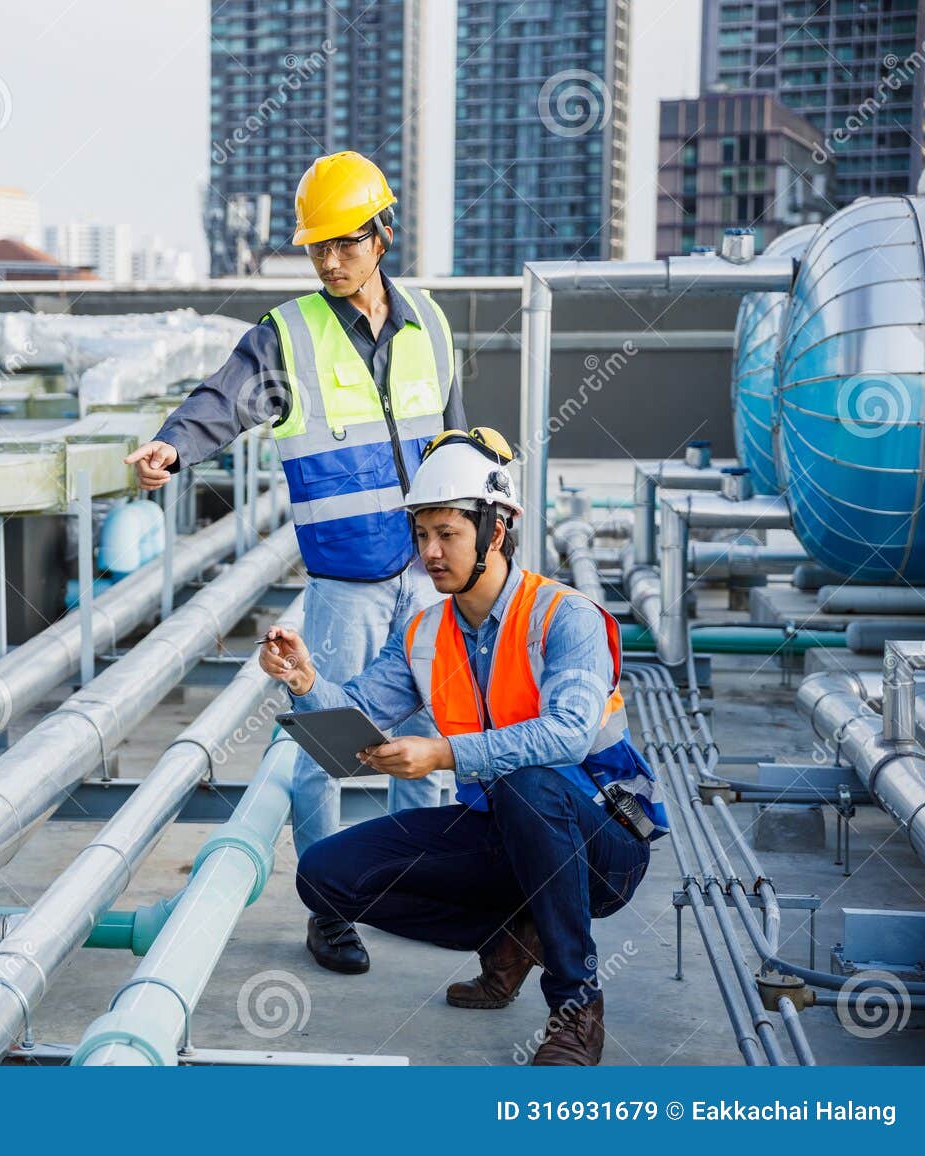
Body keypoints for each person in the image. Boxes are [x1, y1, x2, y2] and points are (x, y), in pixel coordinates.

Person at [125, 151, 467, 976]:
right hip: (346, 583)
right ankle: (332, 908)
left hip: (426, 579)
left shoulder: (432, 324)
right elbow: (223, 399)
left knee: (423, 738)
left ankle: (411, 888)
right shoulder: (289, 335)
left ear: (384, 235)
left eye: (345, 243)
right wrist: (173, 443)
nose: (329, 260)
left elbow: (455, 446)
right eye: (317, 247)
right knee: (330, 744)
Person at [258, 429, 669, 1066]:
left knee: (527, 786)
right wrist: (305, 681)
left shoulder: (566, 617)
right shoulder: (426, 630)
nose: (430, 552)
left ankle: (575, 1006)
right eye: (422, 535)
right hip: (502, 831)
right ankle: (511, 935)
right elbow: (363, 711)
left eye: (447, 534)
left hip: (603, 845)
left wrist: (444, 754)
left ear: (495, 531)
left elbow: (569, 731)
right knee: (326, 876)